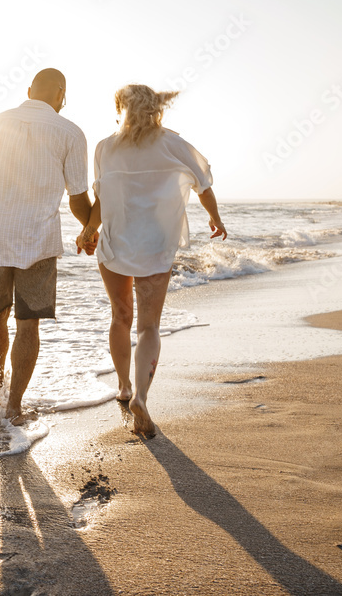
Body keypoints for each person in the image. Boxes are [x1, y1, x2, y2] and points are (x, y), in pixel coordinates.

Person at [78, 84, 226, 438]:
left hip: (115, 243)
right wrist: (216, 218)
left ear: (120, 108)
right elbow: (203, 184)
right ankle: (141, 397)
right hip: (156, 244)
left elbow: (102, 196)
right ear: (156, 108)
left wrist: (89, 230)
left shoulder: (104, 148)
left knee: (120, 315)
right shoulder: (173, 143)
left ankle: (124, 386)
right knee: (148, 326)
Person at [0, 68, 93, 425]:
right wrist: (90, 228)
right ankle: (13, 407)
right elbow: (77, 198)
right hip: (38, 240)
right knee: (29, 324)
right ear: (60, 94)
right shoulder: (70, 132)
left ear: (29, 90)